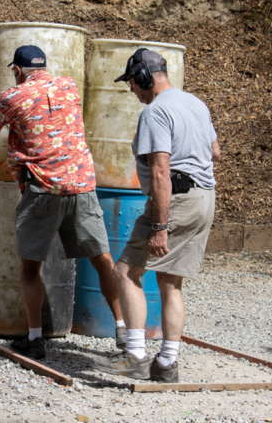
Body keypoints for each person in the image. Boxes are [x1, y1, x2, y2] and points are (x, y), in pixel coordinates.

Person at [0, 45, 126, 360]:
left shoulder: (10, 98)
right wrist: (2, 98)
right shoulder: (69, 85)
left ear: (16, 71)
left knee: (31, 268)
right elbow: (37, 109)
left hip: (43, 190)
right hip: (82, 187)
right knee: (102, 260)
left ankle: (34, 339)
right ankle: (124, 327)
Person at [92, 48, 220, 382]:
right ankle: (166, 365)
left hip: (173, 200)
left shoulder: (155, 113)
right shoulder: (196, 103)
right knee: (170, 283)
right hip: (204, 198)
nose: (132, 90)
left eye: (132, 83)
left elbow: (161, 173)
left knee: (126, 272)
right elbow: (214, 152)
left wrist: (160, 226)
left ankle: (134, 355)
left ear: (143, 78)